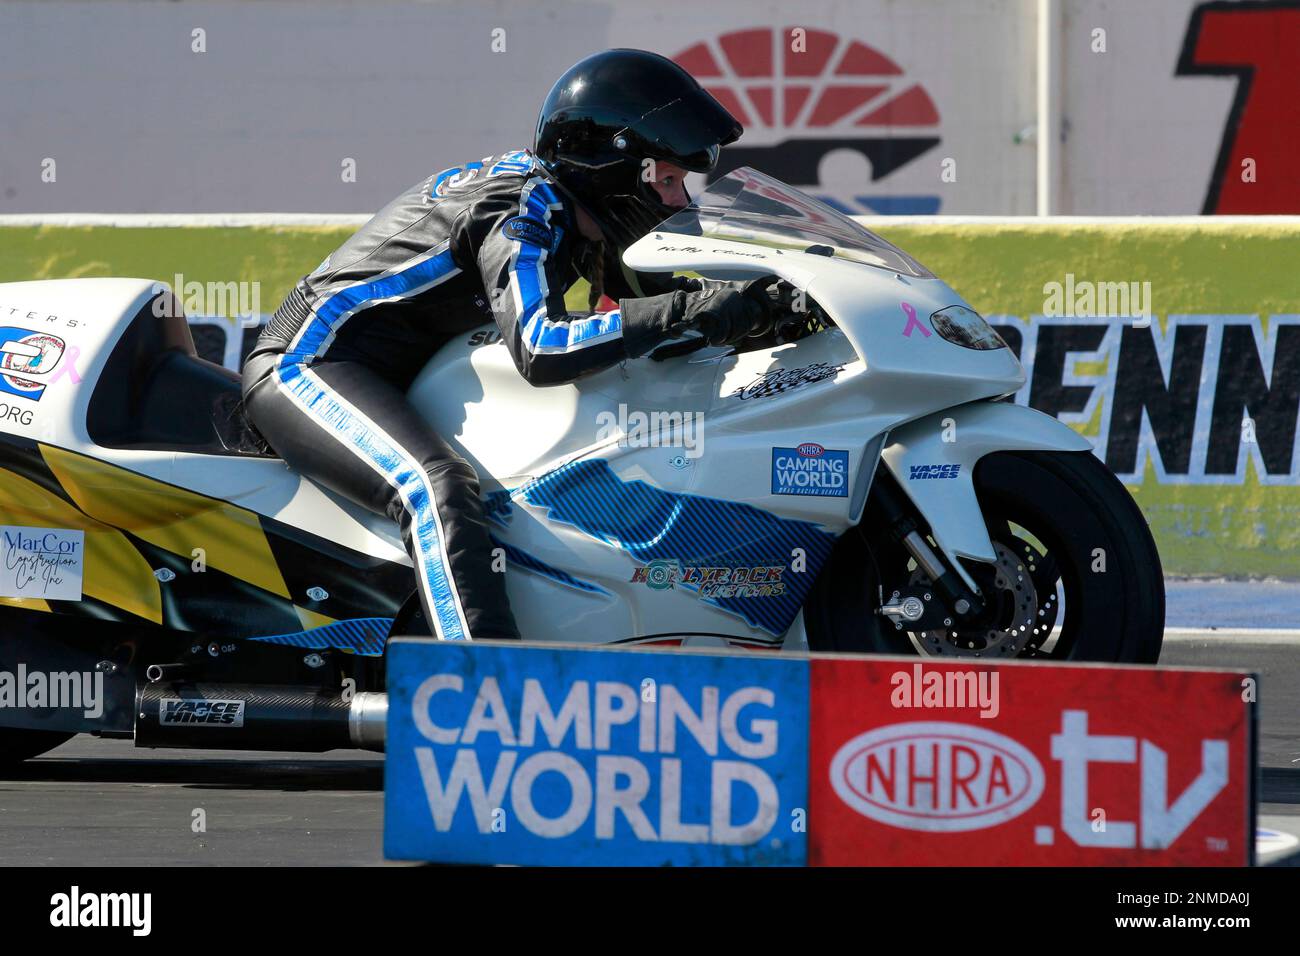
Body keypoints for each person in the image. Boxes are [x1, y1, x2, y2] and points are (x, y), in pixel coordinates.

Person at [240, 48, 780, 642]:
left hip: (400, 375)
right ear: (614, 166)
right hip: (309, 362)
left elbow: (678, 307)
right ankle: (483, 683)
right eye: (670, 179)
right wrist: (693, 309)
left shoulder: (583, 211)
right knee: (435, 487)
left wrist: (778, 310)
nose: (679, 201)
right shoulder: (521, 209)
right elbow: (542, 348)